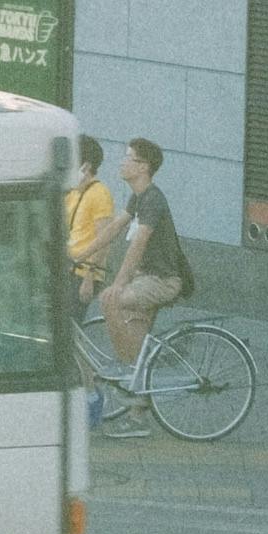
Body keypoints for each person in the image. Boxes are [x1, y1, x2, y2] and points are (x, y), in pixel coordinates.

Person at [101, 138, 195, 379]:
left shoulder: (153, 199)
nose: (122, 162)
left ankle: (129, 367)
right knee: (135, 341)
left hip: (161, 280)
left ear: (143, 167)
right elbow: (114, 228)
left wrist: (119, 282)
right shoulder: (138, 197)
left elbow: (139, 243)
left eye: (128, 157)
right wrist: (79, 253)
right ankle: (138, 381)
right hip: (145, 278)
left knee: (110, 300)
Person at [65, 136, 117, 302]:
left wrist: (89, 278)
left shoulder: (100, 194)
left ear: (85, 166)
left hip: (84, 274)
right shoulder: (74, 192)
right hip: (68, 268)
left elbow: (104, 240)